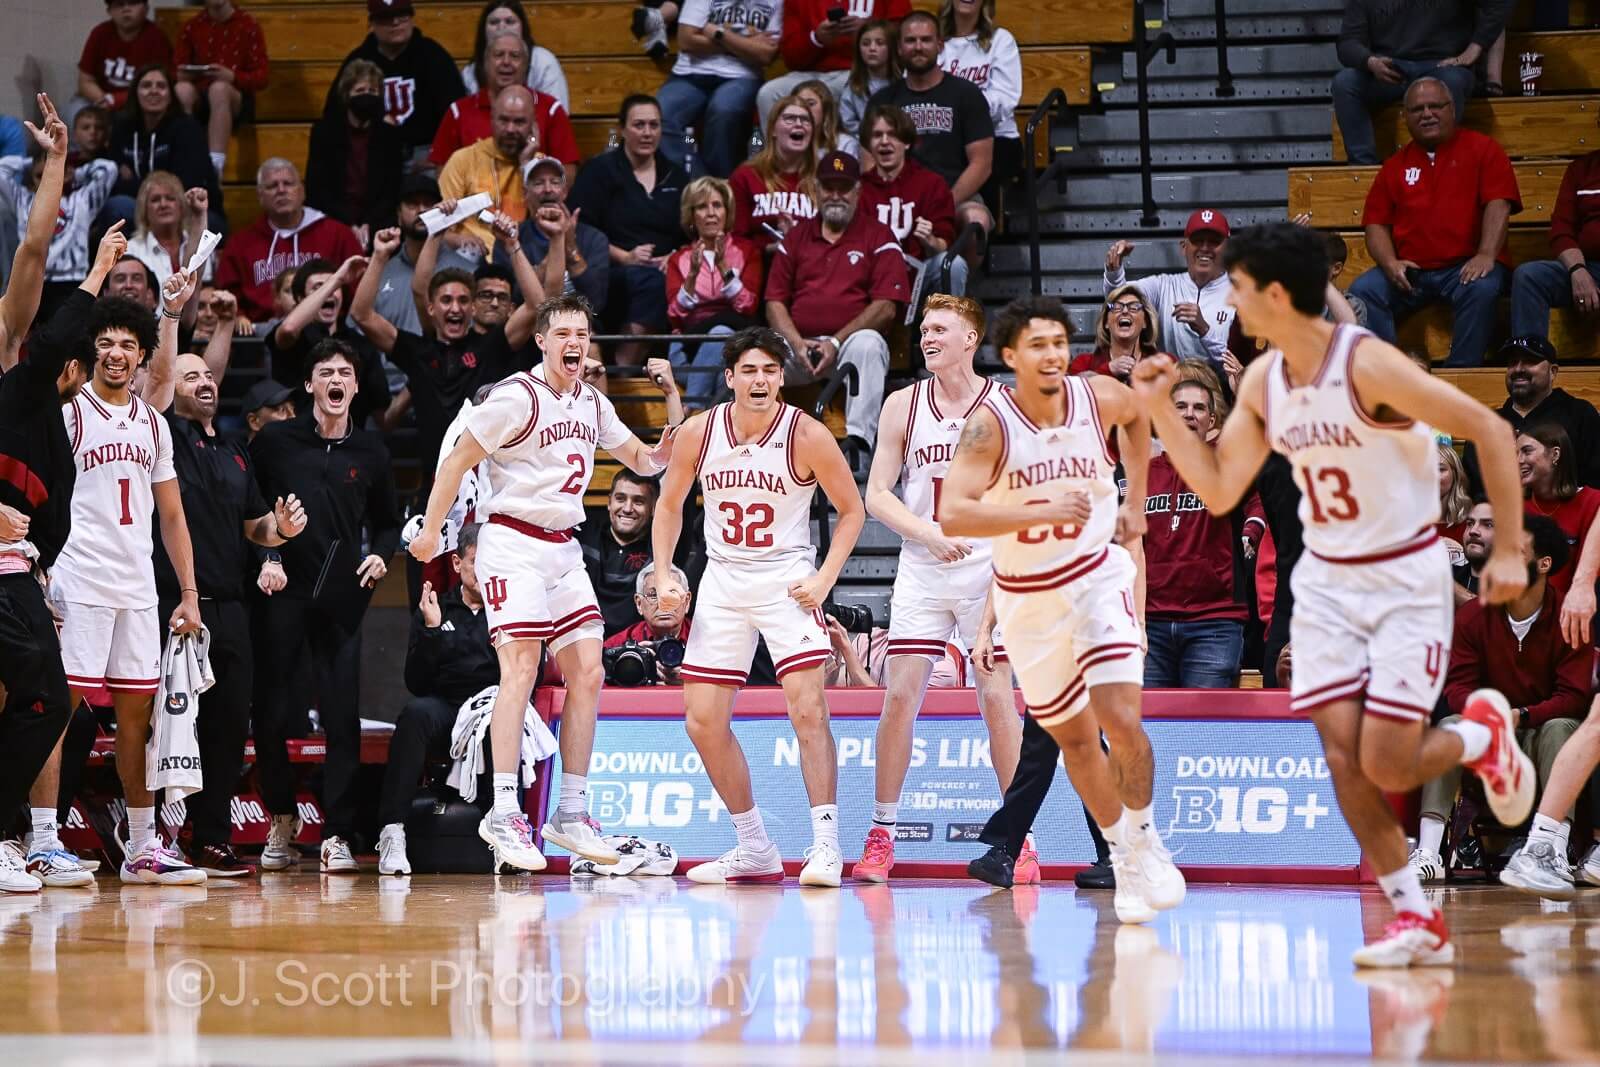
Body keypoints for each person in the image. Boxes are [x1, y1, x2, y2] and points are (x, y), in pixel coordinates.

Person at [1128, 221, 1533, 966]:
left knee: (1387, 760)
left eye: (1241, 289)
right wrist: (1159, 413)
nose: (1232, 302)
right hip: (1324, 584)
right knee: (1342, 759)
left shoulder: (1366, 364)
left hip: (1404, 579)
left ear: (1275, 294)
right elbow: (1219, 487)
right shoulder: (1261, 379)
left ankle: (1481, 736)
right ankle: (1413, 914)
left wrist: (1508, 545)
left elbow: (1487, 428)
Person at [407, 293, 677, 872]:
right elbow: (455, 460)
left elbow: (648, 460)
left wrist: (672, 417)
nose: (575, 343)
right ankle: (504, 810)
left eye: (583, 333)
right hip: (513, 542)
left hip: (563, 546)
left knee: (589, 669)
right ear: (542, 342)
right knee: (522, 669)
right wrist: (433, 532)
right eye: (563, 334)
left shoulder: (593, 404)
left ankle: (570, 811)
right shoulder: (516, 398)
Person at [939, 295, 1182, 926]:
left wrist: (1132, 496)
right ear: (1011, 356)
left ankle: (1144, 837)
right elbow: (955, 513)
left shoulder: (1097, 393)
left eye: (1058, 343)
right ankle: (1126, 856)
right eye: (1036, 345)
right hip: (1028, 599)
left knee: (1121, 716)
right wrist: (1040, 510)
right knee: (1075, 742)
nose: (1051, 355)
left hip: (1098, 579)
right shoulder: (989, 426)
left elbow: (1137, 417)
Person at [650, 325, 866, 886]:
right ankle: (754, 846)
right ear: (729, 379)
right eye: (749, 370)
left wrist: (823, 578)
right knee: (701, 721)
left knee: (808, 708)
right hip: (723, 578)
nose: (761, 380)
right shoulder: (700, 432)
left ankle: (825, 846)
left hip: (786, 576)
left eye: (771, 370)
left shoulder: (808, 434)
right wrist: (668, 570)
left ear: (782, 379)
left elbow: (853, 511)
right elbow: (669, 504)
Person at [39, 273, 206, 886]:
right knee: (59, 712)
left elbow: (171, 515)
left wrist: (188, 593)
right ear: (92, 350)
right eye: (104, 342)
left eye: (126, 344)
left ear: (141, 355)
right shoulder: (67, 411)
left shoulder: (154, 424)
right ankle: (39, 838)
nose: (115, 352)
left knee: (140, 717)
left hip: (138, 587)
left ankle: (141, 845)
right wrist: (40, 569)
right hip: (77, 579)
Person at [853, 294, 1021, 882]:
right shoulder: (903, 403)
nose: (927, 337)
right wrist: (927, 532)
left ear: (970, 338)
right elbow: (876, 493)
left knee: (997, 698)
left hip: (987, 567)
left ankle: (1013, 839)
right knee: (900, 698)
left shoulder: (1003, 403)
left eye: (941, 329)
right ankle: (881, 832)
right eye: (924, 329)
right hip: (924, 564)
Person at [154, 337, 308, 877]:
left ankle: (212, 839)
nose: (205, 382)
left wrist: (281, 531)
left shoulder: (237, 448)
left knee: (225, 729)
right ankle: (153, 835)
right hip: (171, 603)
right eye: (190, 375)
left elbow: (256, 526)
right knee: (169, 725)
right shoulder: (164, 437)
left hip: (231, 609)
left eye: (209, 376)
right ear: (170, 387)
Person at [249, 338, 401, 873]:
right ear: (311, 385)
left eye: (345, 373)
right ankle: (282, 819)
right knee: (269, 712)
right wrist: (266, 552)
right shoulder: (274, 443)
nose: (336, 380)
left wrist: (381, 556)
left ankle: (336, 832)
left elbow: (388, 521)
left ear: (355, 387)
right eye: (325, 371)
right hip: (283, 586)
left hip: (341, 595)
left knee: (342, 717)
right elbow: (247, 505)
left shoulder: (372, 451)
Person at [0, 106, 90, 892]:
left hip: (7, 566)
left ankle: (14, 833)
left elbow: (34, 249)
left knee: (42, 697)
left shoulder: (7, 347)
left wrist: (57, 162)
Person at [1411, 516, 1588, 883]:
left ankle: (1551, 849)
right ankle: (1429, 852)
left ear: (1543, 564)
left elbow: (1573, 697)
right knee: (1450, 728)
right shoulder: (1475, 615)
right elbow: (1456, 688)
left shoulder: (1569, 617)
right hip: (1489, 736)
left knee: (1562, 728)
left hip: (1540, 733)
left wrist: (1522, 715)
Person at [1345, 78, 1520, 368]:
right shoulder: (1394, 165)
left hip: (1465, 268)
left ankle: (1461, 375)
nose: (1426, 114)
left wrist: (1487, 254)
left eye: (1435, 106)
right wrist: (1390, 263)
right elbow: (1375, 224)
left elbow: (1499, 204)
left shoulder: (1484, 150)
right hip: (1412, 272)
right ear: (1405, 116)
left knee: (1482, 287)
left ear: (1452, 109)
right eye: (1417, 109)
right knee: (1365, 290)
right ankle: (1386, 373)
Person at [355, 221, 547, 476]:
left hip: (488, 485)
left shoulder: (491, 346)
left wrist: (512, 245)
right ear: (431, 308)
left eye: (463, 300)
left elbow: (536, 306)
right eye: (446, 300)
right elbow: (362, 314)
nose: (455, 308)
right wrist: (380, 256)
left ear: (473, 308)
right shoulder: (416, 351)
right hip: (434, 488)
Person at [377, 522, 503, 876]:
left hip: (491, 708)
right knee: (415, 714)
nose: (484, 570)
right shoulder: (436, 608)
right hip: (445, 707)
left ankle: (502, 833)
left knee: (501, 721)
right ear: (458, 564)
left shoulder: (510, 613)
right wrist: (431, 632)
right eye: (477, 560)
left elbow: (531, 675)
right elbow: (415, 682)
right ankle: (393, 831)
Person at [765, 151, 909, 456]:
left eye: (843, 188)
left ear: (857, 191)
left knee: (868, 343)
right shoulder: (795, 238)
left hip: (847, 348)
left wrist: (834, 341)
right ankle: (756, 445)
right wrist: (796, 342)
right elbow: (774, 301)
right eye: (828, 187)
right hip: (799, 345)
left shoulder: (878, 235)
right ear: (816, 190)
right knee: (759, 352)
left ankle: (859, 445)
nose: (835, 195)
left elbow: (886, 306)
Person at [1143, 376, 1265, 687]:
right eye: (1180, 407)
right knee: (1149, 729)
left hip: (1214, 623)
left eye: (1199, 408)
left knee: (1204, 727)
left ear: (1211, 420)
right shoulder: (1144, 473)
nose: (1188, 414)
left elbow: (1260, 501)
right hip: (1151, 625)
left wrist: (1249, 532)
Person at [567, 95, 687, 365]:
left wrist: (676, 257)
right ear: (622, 129)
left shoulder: (676, 175)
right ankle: (624, 368)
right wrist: (625, 256)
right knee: (651, 282)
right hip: (610, 269)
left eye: (654, 125)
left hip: (665, 270)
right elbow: (581, 229)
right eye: (639, 125)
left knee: (662, 281)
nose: (647, 133)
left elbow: (690, 232)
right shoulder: (599, 171)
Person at [866, 12, 994, 235]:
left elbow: (981, 164)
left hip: (955, 194)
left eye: (925, 40)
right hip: (895, 199)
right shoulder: (882, 100)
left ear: (940, 45)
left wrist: (943, 204)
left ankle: (964, 271)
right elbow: (868, 163)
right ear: (898, 47)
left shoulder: (967, 94)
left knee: (976, 220)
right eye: (910, 40)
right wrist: (898, 206)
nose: (918, 47)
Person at [1331, 0, 1499, 165]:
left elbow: (1500, 4)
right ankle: (1363, 169)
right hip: (1391, 70)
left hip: (1444, 66)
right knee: (1345, 83)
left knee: (1451, 82)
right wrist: (1369, 61)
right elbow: (1347, 42)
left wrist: (1475, 48)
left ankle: (1440, 165)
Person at [215, 159, 363, 321]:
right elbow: (227, 293)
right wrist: (239, 317)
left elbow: (358, 290)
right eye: (272, 186)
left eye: (288, 184)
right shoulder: (240, 245)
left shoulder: (339, 235)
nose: (281, 190)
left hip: (325, 330)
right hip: (260, 335)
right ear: (260, 196)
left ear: (302, 191)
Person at [665, 176, 763, 407]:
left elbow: (748, 305)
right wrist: (692, 275)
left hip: (734, 342)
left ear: (727, 212)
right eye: (702, 206)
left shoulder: (746, 251)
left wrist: (723, 266)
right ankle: (717, 426)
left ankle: (693, 410)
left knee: (720, 333)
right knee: (725, 378)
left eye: (717, 205)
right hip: (688, 345)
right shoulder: (679, 259)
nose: (711, 213)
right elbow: (674, 315)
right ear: (692, 216)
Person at [428, 34, 578, 182]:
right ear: (485, 63)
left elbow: (567, 172)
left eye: (515, 56)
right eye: (498, 55)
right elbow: (443, 173)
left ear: (526, 65)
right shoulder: (459, 112)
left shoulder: (551, 109)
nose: (506, 62)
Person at [656, 0, 779, 178]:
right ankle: (702, 185)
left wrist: (718, 33)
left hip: (741, 77)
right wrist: (744, 44)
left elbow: (766, 54)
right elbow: (686, 39)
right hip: (689, 74)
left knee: (724, 110)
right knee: (659, 115)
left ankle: (723, 187)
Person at [265, 256, 392, 428]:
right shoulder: (294, 336)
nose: (330, 291)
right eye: (319, 287)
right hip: (298, 442)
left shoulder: (361, 344)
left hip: (349, 445)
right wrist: (337, 279)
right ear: (301, 298)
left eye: (335, 287)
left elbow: (382, 415)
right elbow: (288, 329)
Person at [1461, 335, 1600, 492]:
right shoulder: (1486, 424)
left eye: (1530, 361)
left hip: (1569, 513)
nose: (1519, 369)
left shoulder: (1579, 414)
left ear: (1553, 372)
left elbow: (1595, 481)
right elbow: (1475, 489)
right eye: (1513, 363)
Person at [326, 0, 465, 155]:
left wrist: (438, 154)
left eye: (402, 15)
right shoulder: (358, 61)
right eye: (386, 17)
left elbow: (455, 111)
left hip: (426, 150)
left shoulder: (433, 56)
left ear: (412, 17)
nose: (395, 22)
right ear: (372, 23)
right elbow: (335, 115)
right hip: (373, 151)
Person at [858, 103, 964, 302]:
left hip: (918, 274)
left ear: (906, 143)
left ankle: (948, 329)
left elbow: (944, 245)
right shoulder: (858, 189)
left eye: (892, 134)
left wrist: (931, 241)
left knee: (953, 265)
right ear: (869, 145)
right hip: (872, 276)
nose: (884, 141)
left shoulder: (931, 184)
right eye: (877, 135)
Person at [1104, 210, 1234, 369]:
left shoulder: (1240, 294)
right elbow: (1118, 302)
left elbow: (1240, 366)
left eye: (1214, 241)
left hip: (1222, 390)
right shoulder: (1164, 286)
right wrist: (1114, 270)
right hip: (1168, 389)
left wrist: (1205, 330)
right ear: (1183, 247)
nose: (1205, 248)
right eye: (1197, 240)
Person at [436, 85, 547, 260]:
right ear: (492, 120)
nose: (510, 129)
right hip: (470, 261)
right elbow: (437, 226)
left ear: (533, 125)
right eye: (503, 120)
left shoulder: (542, 166)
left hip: (522, 260)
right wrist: (457, 239)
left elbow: (545, 228)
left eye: (519, 122)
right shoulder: (464, 160)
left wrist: (526, 165)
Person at [756, 0, 910, 125]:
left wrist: (868, 29)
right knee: (769, 93)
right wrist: (816, 39)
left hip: (858, 71)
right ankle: (776, 161)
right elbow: (791, 58)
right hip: (808, 74)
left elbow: (904, 32)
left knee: (848, 88)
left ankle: (846, 156)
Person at [497, 155, 609, 318]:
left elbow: (595, 302)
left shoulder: (594, 238)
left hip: (580, 322)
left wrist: (571, 247)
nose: (548, 189)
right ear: (525, 194)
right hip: (527, 323)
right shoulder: (510, 238)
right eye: (538, 183)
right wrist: (559, 242)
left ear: (564, 192)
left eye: (555, 182)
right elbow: (514, 299)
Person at [1511, 136, 1600, 338]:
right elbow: (1562, 229)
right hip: (1591, 267)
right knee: (1529, 276)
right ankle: (1530, 362)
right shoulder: (1581, 170)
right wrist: (1578, 270)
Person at [304, 59, 406, 234]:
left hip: (377, 222)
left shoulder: (390, 135)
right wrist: (349, 224)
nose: (366, 96)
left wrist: (368, 224)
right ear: (346, 94)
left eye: (372, 91)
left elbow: (392, 190)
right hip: (334, 218)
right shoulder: (324, 133)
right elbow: (318, 189)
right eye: (360, 90)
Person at [370, 174, 478, 338]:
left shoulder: (468, 272)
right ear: (398, 214)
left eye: (428, 204)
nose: (421, 210)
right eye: (412, 204)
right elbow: (359, 329)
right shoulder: (380, 275)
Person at [107, 64, 220, 221]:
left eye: (161, 86)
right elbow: (111, 181)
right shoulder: (122, 128)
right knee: (116, 206)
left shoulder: (188, 129)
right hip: (141, 208)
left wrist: (133, 182)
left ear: (170, 95)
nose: (153, 91)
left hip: (188, 210)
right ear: (135, 93)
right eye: (146, 86)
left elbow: (185, 185)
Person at [937, 0, 1020, 211]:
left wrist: (960, 112)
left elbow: (1005, 98)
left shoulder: (1000, 40)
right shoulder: (931, 41)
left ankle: (978, 234)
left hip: (996, 138)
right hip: (939, 137)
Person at [172, 0, 269, 180]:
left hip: (234, 96)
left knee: (219, 89)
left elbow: (262, 77)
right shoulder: (192, 26)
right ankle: (185, 155)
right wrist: (186, 74)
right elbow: (177, 67)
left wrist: (233, 77)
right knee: (182, 89)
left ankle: (215, 165)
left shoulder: (248, 25)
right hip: (200, 92)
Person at [1517, 423, 1600, 617]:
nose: (1519, 460)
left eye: (1526, 451)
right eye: (1515, 453)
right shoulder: (1515, 506)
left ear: (1555, 455)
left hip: (1579, 615)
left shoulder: (1592, 502)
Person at [729, 95, 820, 254]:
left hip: (812, 268)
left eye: (805, 120)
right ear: (772, 130)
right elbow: (736, 240)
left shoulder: (824, 179)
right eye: (790, 119)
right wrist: (771, 248)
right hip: (760, 268)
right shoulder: (745, 176)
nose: (799, 124)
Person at [583, 470, 660, 637]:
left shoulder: (660, 550)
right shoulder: (583, 536)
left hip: (640, 650)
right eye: (620, 499)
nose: (627, 508)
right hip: (584, 647)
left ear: (653, 508)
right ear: (609, 502)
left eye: (639, 501)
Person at [459, 1, 569, 108]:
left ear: (522, 27)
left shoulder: (543, 62)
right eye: (494, 22)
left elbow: (557, 112)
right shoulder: (470, 73)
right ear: (483, 31)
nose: (502, 27)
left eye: (510, 21)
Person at [602, 562, 694, 685]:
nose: (664, 603)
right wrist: (630, 666)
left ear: (687, 602)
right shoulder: (615, 646)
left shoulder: (708, 642)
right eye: (653, 595)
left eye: (673, 593)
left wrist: (692, 680)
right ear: (639, 604)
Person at [77, 0, 174, 113]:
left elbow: (161, 85)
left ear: (146, 8)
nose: (126, 9)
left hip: (142, 101)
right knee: (74, 110)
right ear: (109, 11)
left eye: (133, 3)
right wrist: (105, 100)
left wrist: (116, 101)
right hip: (101, 98)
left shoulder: (157, 38)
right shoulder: (99, 33)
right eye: (119, 4)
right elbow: (85, 81)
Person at [126, 174, 212, 292]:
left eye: (170, 198)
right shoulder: (132, 250)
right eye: (155, 200)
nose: (163, 205)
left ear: (181, 206)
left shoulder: (199, 244)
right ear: (144, 210)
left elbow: (204, 291)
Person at [1069, 284, 1159, 379]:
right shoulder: (1083, 363)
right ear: (1106, 322)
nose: (1124, 311)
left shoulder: (1166, 364)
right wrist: (1108, 369)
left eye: (1134, 307)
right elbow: (1076, 388)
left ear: (1145, 322)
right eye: (1116, 307)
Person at [838, 20, 898, 140]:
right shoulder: (853, 87)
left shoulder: (904, 83)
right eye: (865, 44)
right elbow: (848, 124)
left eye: (880, 43)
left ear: (892, 47)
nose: (872, 48)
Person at [794, 78, 859, 158]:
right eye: (800, 105)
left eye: (811, 104)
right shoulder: (790, 145)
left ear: (825, 108)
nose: (805, 109)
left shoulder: (845, 144)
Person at [1453, 498, 1492, 599]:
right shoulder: (1451, 574)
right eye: (1470, 523)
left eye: (1488, 525)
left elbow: (1489, 613)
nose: (1473, 530)